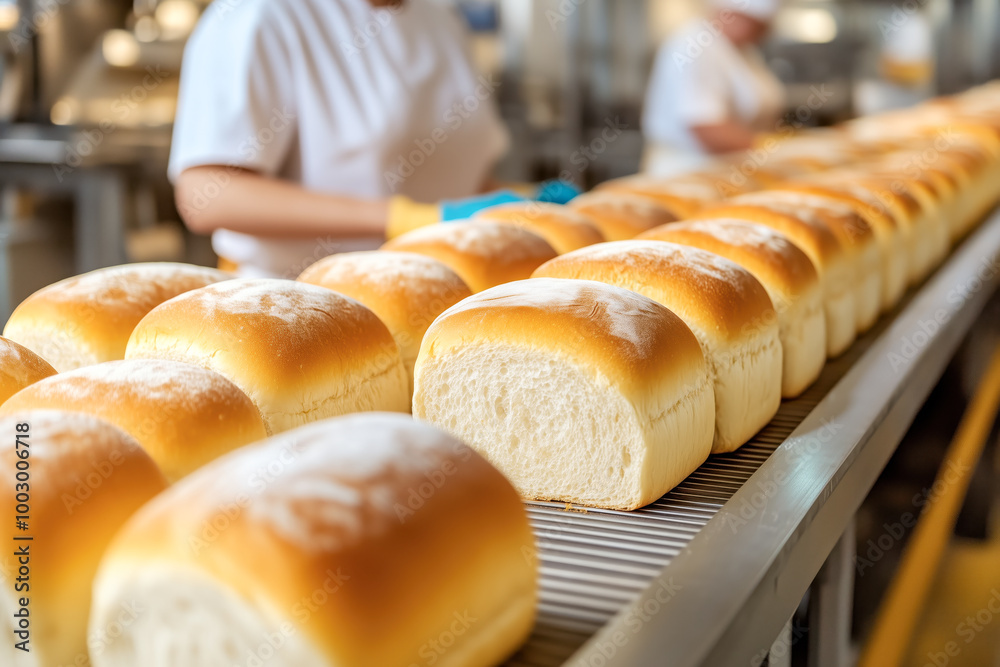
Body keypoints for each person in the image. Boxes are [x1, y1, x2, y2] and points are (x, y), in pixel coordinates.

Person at [169, 0, 538, 278]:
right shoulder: (261, 14)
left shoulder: (439, 17)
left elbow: (450, 174)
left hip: (442, 292)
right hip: (297, 306)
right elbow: (206, 194)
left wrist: (522, 203)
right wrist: (403, 218)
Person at [641, 0, 786, 176]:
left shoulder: (743, 51)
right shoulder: (694, 45)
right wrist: (770, 149)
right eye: (755, 24)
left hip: (733, 168)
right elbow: (706, 127)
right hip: (688, 171)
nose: (764, 33)